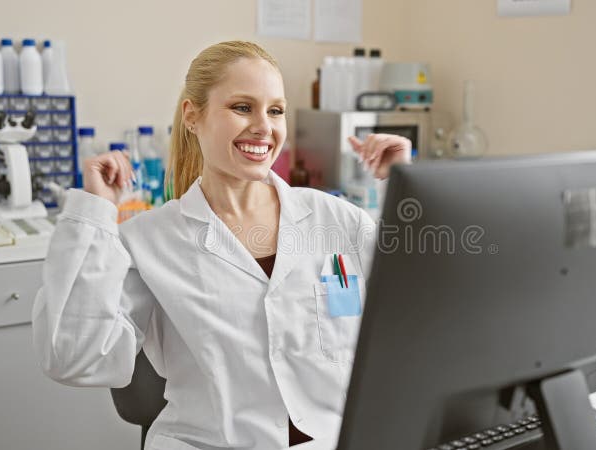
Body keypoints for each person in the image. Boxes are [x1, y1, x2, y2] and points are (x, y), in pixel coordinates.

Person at [32, 41, 411, 450]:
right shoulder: (148, 240)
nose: (264, 127)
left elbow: (417, 319)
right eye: (243, 107)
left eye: (276, 110)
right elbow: (73, 357)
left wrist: (404, 187)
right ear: (192, 116)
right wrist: (95, 212)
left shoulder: (336, 219)